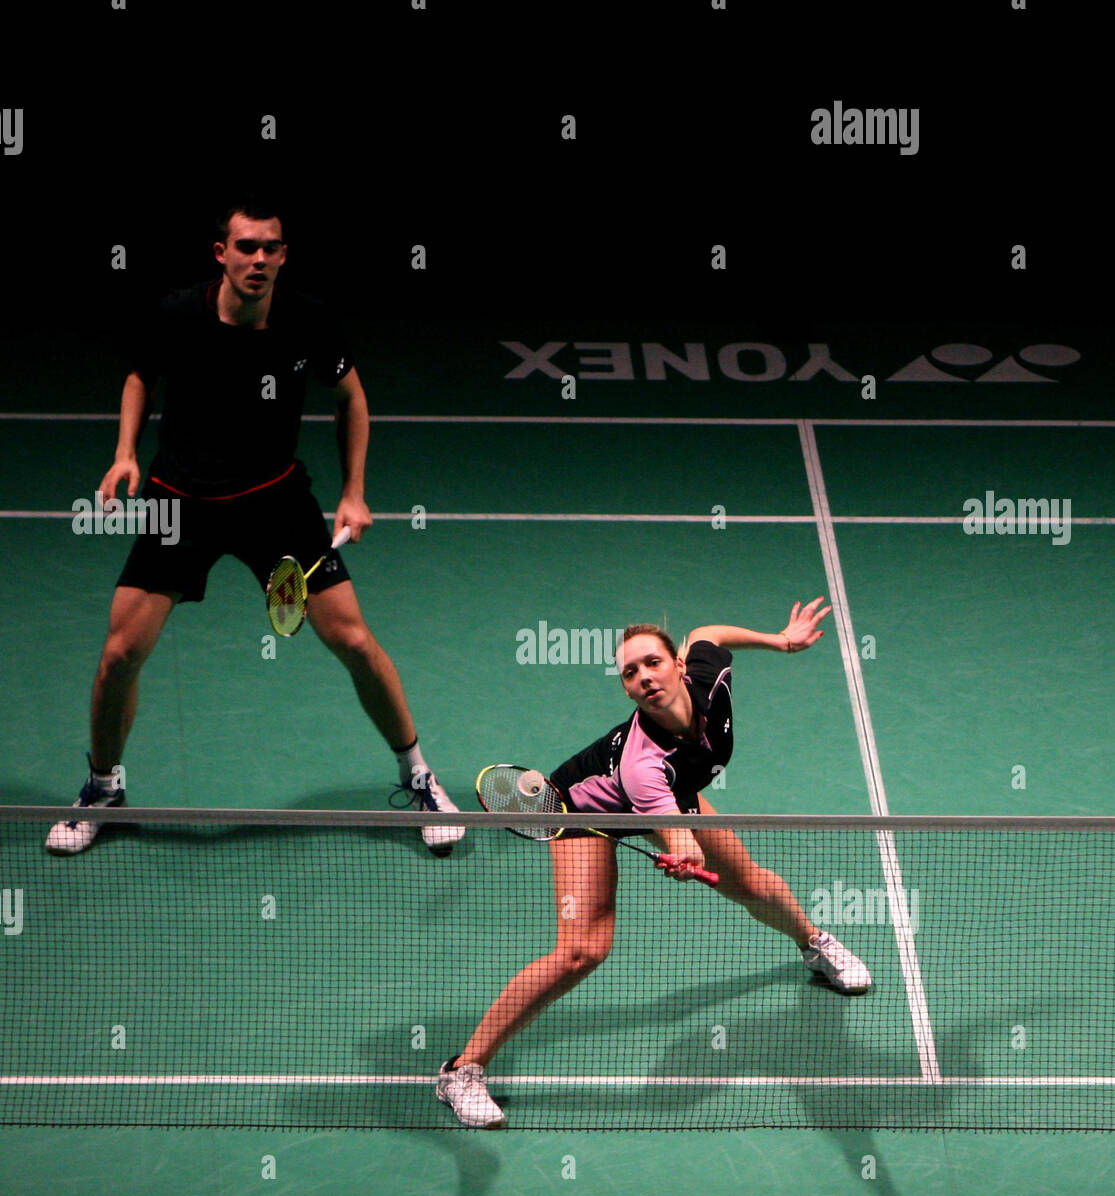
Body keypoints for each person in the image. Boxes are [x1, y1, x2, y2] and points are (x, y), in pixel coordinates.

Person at [46, 200, 463, 856]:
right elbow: (138, 375)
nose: (258, 260)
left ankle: (418, 776)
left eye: (271, 248)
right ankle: (103, 787)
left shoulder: (309, 320)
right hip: (178, 498)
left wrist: (353, 493)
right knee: (121, 653)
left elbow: (350, 396)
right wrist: (125, 453)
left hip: (275, 500)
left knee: (353, 641)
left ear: (285, 255)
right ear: (222, 253)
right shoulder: (177, 313)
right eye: (246, 247)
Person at [437, 603, 873, 1127]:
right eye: (630, 673)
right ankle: (461, 1071)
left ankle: (814, 944)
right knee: (582, 951)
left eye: (652, 663)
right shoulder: (644, 764)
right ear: (625, 690)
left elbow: (708, 629)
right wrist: (685, 855)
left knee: (749, 882)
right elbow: (676, 832)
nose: (644, 677)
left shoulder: (710, 682)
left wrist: (780, 641)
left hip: (670, 793)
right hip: (584, 814)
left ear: (680, 665)